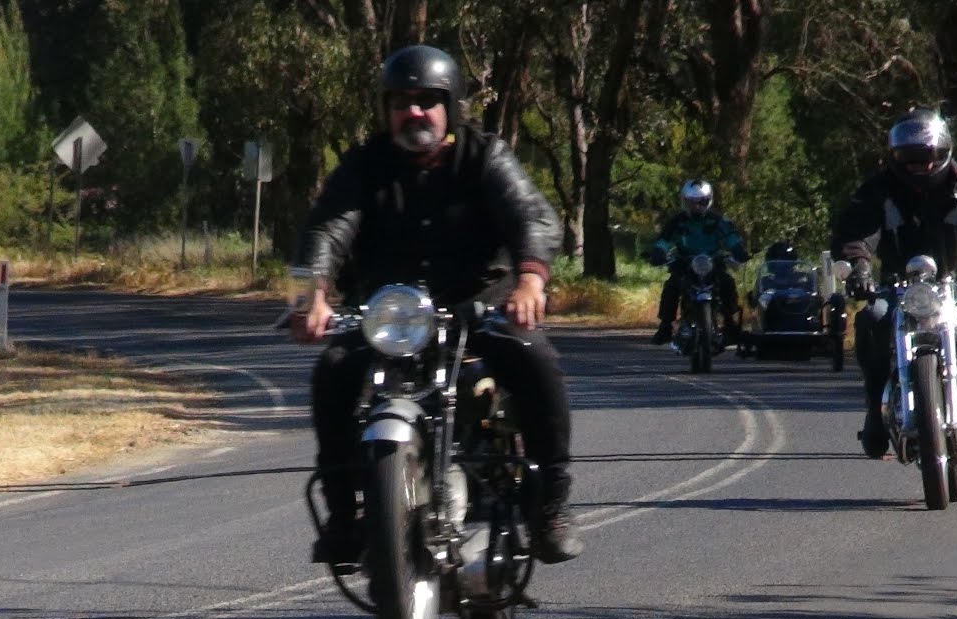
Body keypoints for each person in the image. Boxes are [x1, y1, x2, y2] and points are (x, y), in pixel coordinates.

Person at [291, 44, 582, 566]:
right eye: (402, 101)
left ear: (451, 105)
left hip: (478, 309)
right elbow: (328, 227)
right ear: (388, 109)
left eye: (427, 99)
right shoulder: (365, 165)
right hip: (392, 314)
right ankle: (345, 515)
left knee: (534, 358)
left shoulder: (484, 157)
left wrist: (530, 283)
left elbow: (530, 216)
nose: (414, 111)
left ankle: (551, 504)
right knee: (333, 369)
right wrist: (310, 293)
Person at [831, 109, 957, 459]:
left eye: (925, 158)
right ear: (895, 157)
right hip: (897, 287)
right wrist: (860, 267)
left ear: (942, 153)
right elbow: (854, 231)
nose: (918, 166)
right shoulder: (877, 190)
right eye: (908, 159)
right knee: (873, 319)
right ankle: (875, 409)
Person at [646, 180, 749, 345]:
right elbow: (664, 240)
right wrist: (658, 252)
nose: (696, 207)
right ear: (684, 202)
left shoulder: (718, 221)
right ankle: (665, 326)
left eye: (700, 202)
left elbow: (731, 237)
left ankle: (730, 324)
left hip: (712, 263)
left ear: (708, 201)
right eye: (691, 203)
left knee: (727, 283)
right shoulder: (677, 221)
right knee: (672, 286)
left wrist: (738, 250)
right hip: (684, 263)